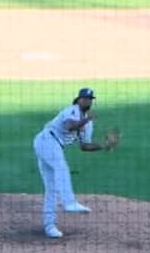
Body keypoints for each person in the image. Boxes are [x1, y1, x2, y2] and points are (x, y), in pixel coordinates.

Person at [32, 87, 115, 239]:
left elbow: (85, 146)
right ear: (78, 99)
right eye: (84, 98)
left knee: (51, 189)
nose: (87, 101)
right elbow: (70, 126)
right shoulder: (72, 111)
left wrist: (103, 146)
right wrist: (86, 120)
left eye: (90, 99)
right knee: (61, 168)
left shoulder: (88, 124)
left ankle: (49, 226)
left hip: (54, 146)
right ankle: (69, 202)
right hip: (46, 140)